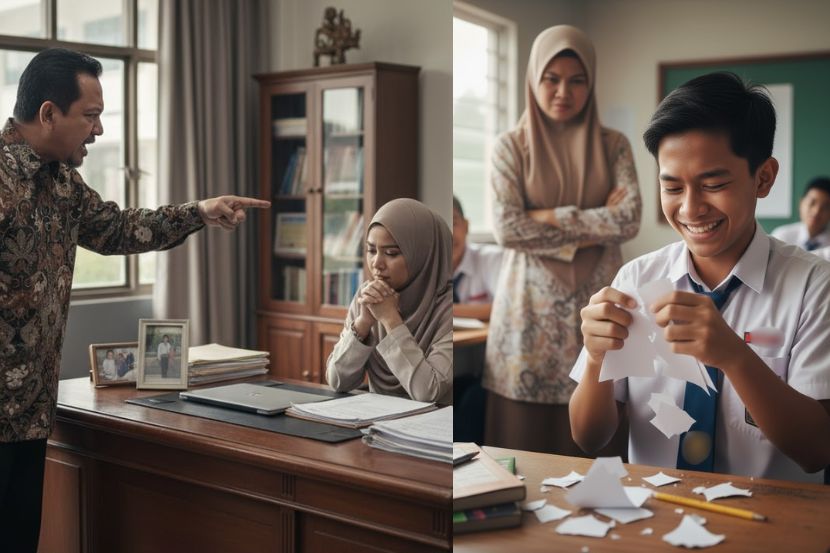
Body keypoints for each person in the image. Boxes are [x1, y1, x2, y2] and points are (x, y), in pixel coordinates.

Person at [0, 47, 269, 552]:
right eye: (92, 116)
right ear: (49, 114)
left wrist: (200, 212)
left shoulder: (62, 184)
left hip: (31, 415)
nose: (98, 131)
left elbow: (119, 230)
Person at [570, 72, 830, 483]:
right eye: (672, 188)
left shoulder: (815, 286)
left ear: (763, 178)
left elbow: (817, 450)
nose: (691, 209)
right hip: (656, 517)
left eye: (713, 184)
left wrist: (734, 356)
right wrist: (597, 358)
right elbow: (588, 437)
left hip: (772, 526)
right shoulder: (637, 279)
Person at [482, 25, 642, 454]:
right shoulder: (509, 148)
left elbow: (628, 220)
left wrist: (545, 216)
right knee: (523, 452)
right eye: (551, 79)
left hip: (601, 305)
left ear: (591, 83)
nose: (562, 92)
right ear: (533, 79)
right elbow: (505, 227)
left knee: (600, 428)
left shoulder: (614, 147)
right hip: (528, 321)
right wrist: (591, 219)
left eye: (577, 80)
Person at [326, 198, 452, 404]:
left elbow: (427, 392)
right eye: (371, 250)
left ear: (422, 255)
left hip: (434, 430)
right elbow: (338, 381)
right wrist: (363, 324)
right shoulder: (367, 296)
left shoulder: (448, 308)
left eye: (391, 253)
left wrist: (391, 320)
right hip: (379, 426)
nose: (377, 264)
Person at [451, 195, 504, 321]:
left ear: (466, 226)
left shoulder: (492, 258)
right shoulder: (424, 269)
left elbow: (505, 308)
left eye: (453, 223)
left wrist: (446, 310)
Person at [771, 177, 830, 251]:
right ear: (801, 203)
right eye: (812, 203)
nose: (816, 211)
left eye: (826, 206)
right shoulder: (781, 237)